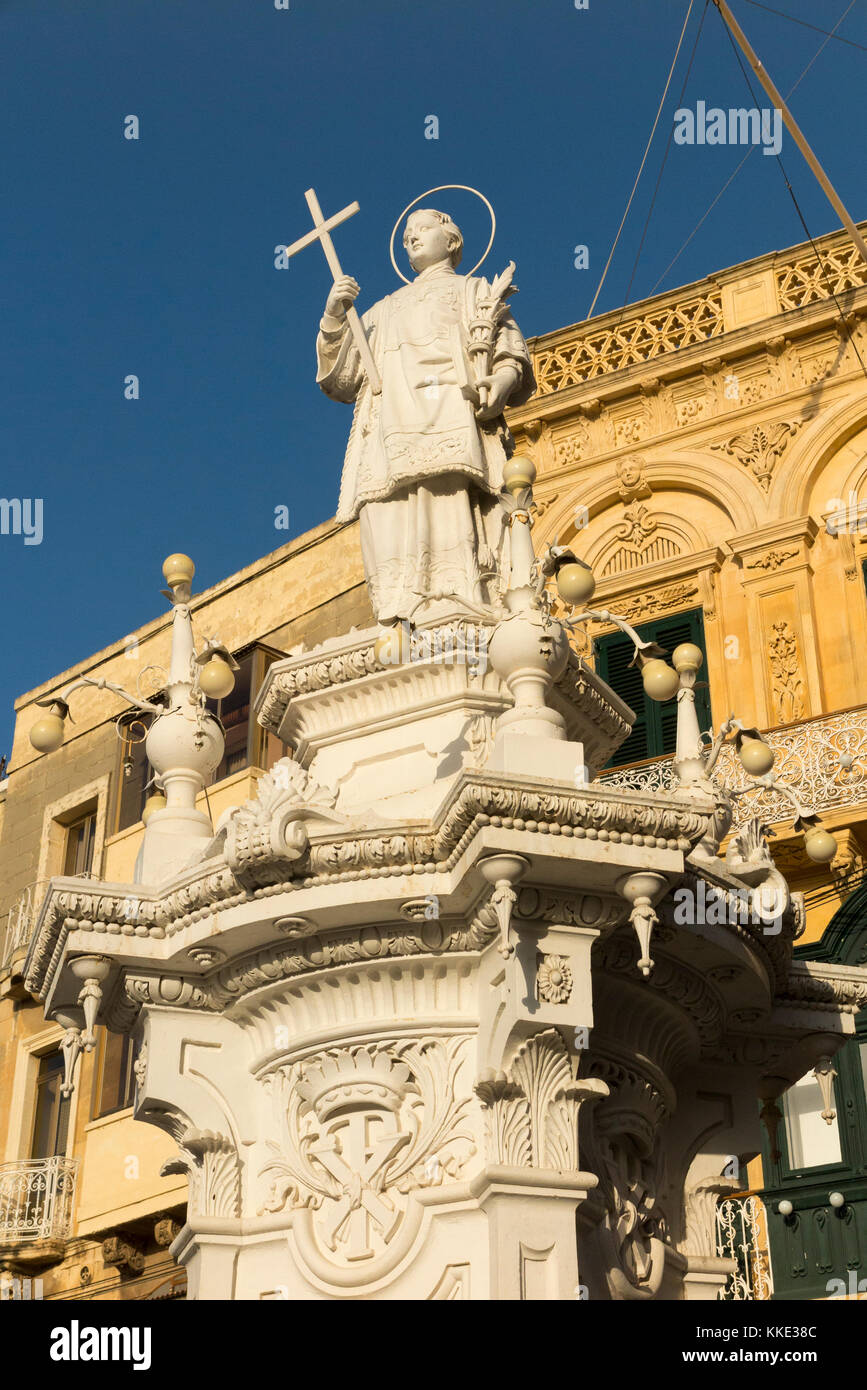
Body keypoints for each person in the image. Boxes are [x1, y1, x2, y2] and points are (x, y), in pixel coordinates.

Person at [316, 208, 534, 625]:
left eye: (423, 228)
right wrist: (333, 316)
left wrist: (501, 382)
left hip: (453, 419)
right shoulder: (382, 311)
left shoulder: (475, 292)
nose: (411, 238)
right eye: (407, 234)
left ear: (451, 240)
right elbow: (340, 379)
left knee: (450, 505)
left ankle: (461, 596)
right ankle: (397, 610)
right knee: (390, 510)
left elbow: (509, 351)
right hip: (390, 434)